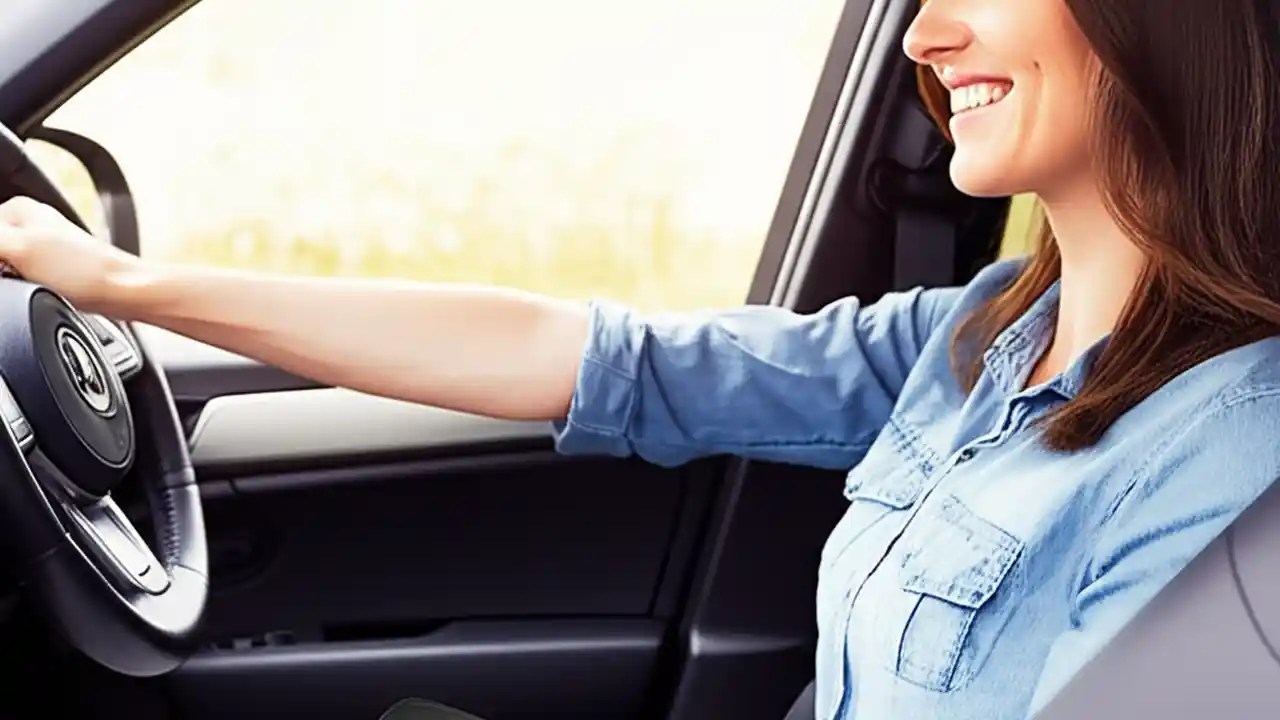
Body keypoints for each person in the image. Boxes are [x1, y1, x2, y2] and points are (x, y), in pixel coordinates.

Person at [3, 0, 1280, 718]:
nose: (922, 34)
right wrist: (119, 286)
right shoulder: (979, 330)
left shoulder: (1232, 451)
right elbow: (595, 357)